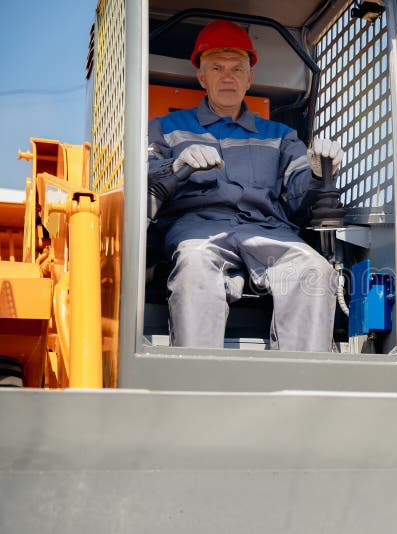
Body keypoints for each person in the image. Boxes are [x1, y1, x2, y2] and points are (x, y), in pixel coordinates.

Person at [147, 20, 343, 352]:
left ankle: (305, 391)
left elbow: (299, 199)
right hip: (198, 230)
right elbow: (146, 182)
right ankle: (197, 386)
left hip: (269, 232)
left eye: (238, 68)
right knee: (195, 264)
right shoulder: (165, 128)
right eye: (217, 68)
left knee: (315, 269)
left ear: (249, 78)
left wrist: (318, 170)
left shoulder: (281, 136)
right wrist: (175, 164)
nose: (228, 76)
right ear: (201, 77)